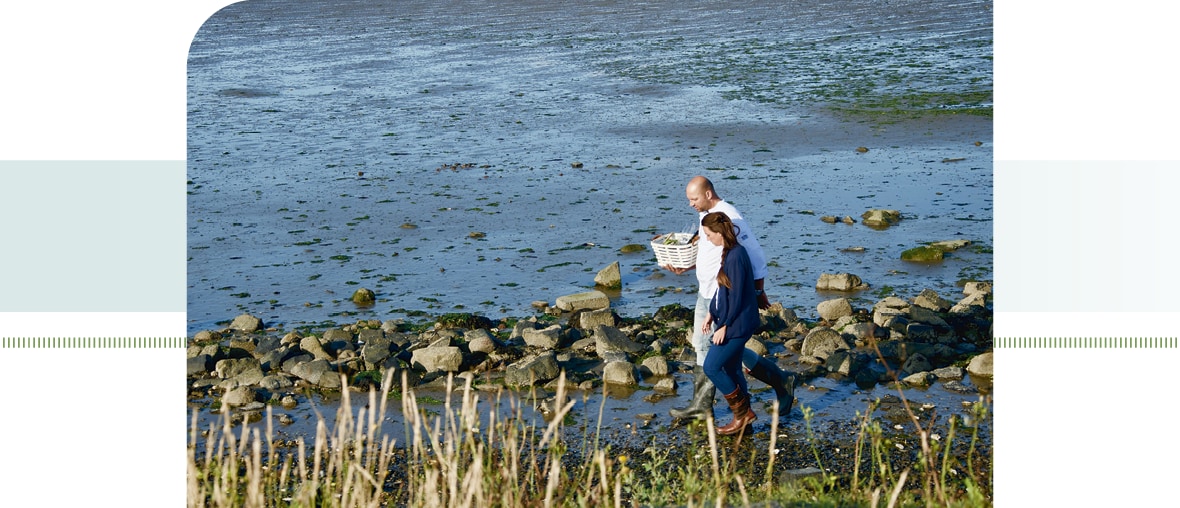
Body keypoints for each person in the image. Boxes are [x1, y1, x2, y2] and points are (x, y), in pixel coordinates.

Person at [663, 176, 795, 422]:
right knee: (723, 350)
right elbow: (708, 252)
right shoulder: (707, 215)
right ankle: (779, 380)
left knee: (713, 349)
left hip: (722, 296)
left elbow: (753, 255)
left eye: (694, 199)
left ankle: (706, 406)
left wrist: (758, 291)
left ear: (708, 194)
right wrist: (686, 266)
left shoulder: (730, 217)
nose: (691, 204)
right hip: (707, 294)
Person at [698, 212, 759, 434]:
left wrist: (724, 324)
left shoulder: (736, 256)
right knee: (732, 369)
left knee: (711, 367)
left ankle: (743, 415)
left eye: (708, 234)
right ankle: (745, 421)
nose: (707, 238)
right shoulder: (730, 252)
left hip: (737, 325)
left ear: (719, 232)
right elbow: (723, 291)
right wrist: (711, 314)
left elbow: (737, 296)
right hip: (735, 321)